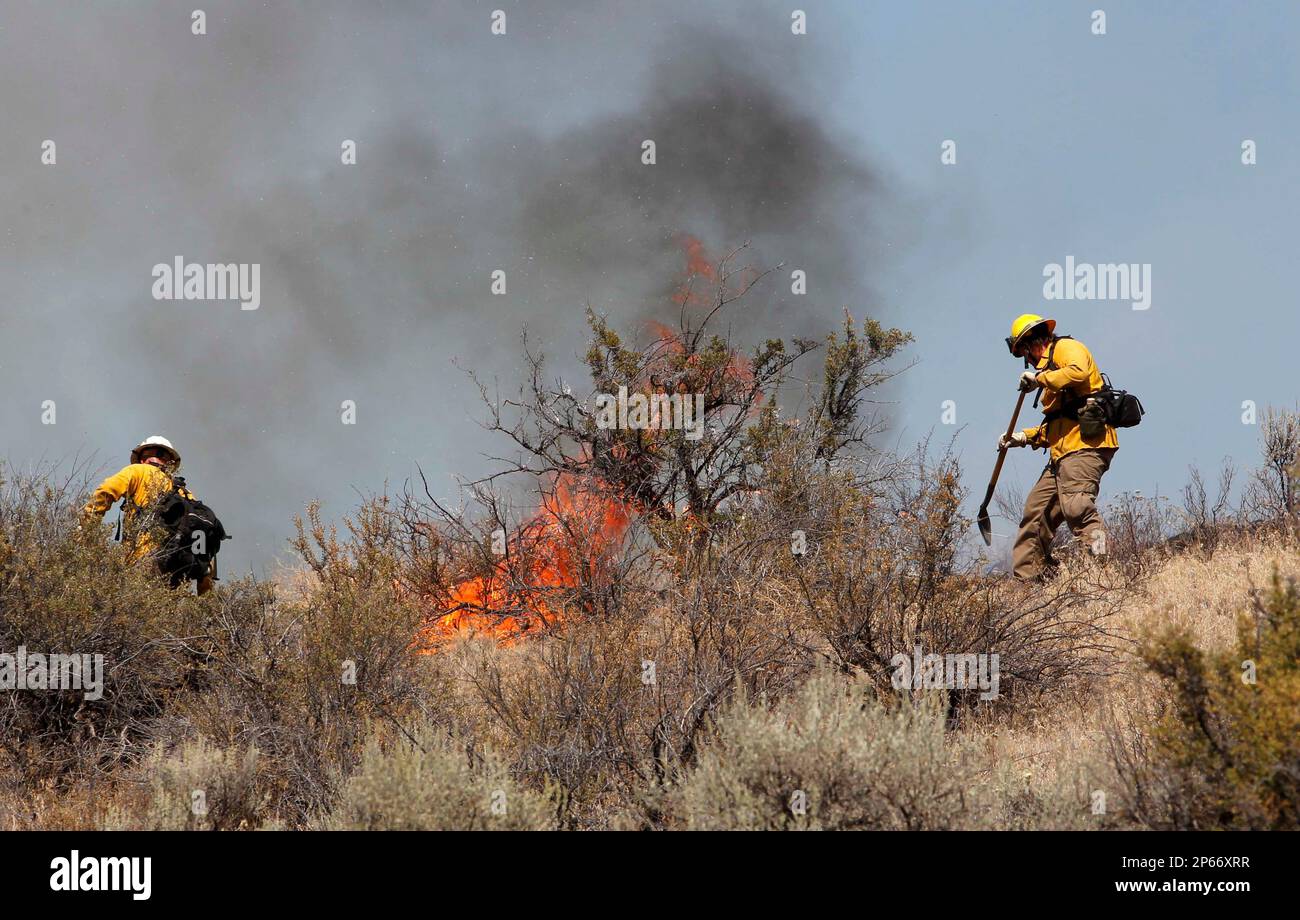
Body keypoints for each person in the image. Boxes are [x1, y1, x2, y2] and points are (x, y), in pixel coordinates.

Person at [998, 314, 1118, 580]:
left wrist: (1039, 380)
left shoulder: (1066, 349)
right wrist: (1022, 437)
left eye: (1024, 353)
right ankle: (1030, 582)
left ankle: (1105, 571)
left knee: (1078, 508)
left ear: (1032, 342)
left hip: (1086, 447)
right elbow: (1057, 425)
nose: (1027, 360)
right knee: (1035, 514)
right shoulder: (1049, 372)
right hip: (1061, 454)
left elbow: (1079, 372)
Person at [82, 435, 215, 594]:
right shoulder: (185, 493)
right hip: (178, 573)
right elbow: (204, 535)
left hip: (143, 561)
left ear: (142, 457)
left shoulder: (137, 470)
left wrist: (85, 530)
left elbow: (106, 491)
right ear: (170, 462)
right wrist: (205, 596)